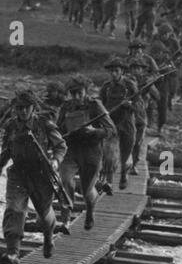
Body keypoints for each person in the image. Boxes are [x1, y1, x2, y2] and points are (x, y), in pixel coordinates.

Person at [0, 89, 66, 264]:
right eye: (19, 108)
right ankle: (13, 252)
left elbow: (60, 145)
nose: (23, 111)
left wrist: (56, 161)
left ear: (33, 108)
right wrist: (0, 167)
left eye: (27, 107)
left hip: (42, 174)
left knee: (44, 212)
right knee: (14, 208)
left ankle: (48, 236)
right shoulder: (11, 126)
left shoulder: (44, 124)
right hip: (18, 174)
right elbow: (6, 149)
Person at [56, 76, 112, 231]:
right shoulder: (66, 107)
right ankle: (66, 220)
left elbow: (110, 130)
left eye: (79, 93)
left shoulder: (95, 105)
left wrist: (94, 131)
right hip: (71, 151)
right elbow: (58, 128)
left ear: (85, 91)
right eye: (72, 93)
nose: (76, 97)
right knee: (65, 181)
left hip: (91, 152)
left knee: (87, 190)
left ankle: (90, 212)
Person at [99, 58, 138, 191]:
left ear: (122, 71)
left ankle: (123, 174)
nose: (113, 74)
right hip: (111, 124)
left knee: (126, 154)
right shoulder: (106, 87)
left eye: (116, 71)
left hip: (127, 124)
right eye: (111, 71)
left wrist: (130, 105)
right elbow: (100, 105)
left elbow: (139, 106)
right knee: (109, 154)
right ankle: (109, 181)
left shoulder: (130, 86)